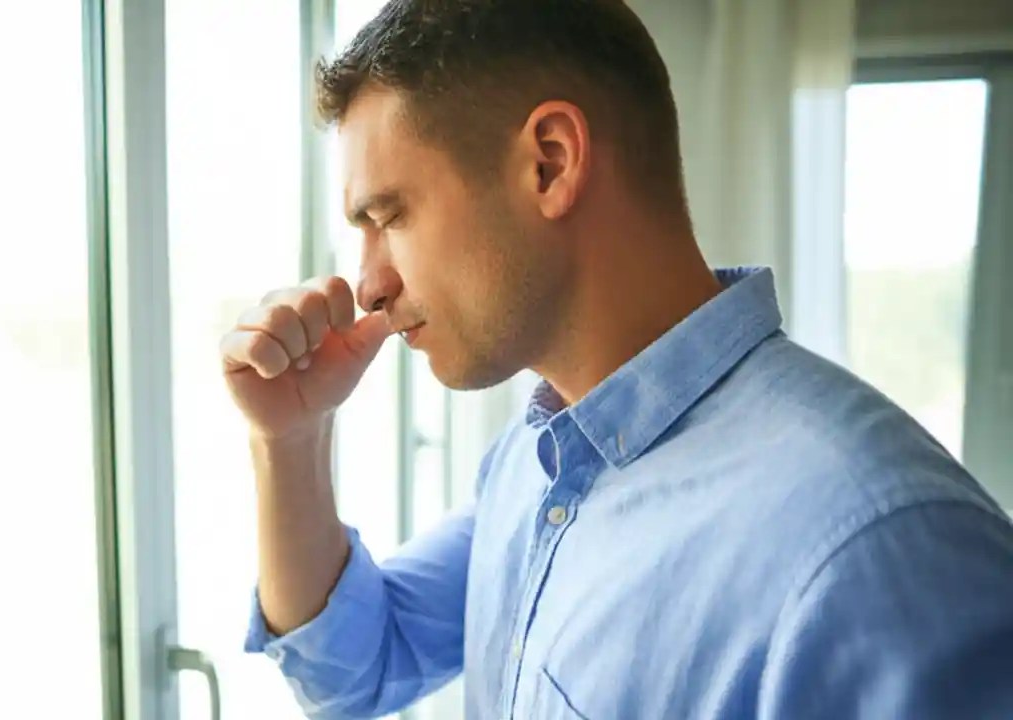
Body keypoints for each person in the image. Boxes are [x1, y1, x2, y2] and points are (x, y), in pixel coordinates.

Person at [218, 1, 1013, 717]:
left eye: (389, 215)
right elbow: (352, 670)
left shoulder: (880, 556)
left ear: (551, 163)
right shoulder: (532, 466)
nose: (369, 285)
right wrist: (287, 439)